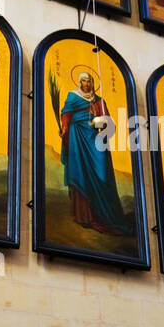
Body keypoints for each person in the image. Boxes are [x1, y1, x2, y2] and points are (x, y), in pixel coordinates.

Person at [60, 72, 129, 234]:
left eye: (89, 81)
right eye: (83, 81)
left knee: (102, 174)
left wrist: (102, 124)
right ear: (79, 82)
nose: (86, 84)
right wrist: (64, 128)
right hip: (77, 137)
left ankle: (104, 215)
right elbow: (66, 115)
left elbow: (110, 124)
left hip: (96, 140)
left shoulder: (99, 101)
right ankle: (84, 216)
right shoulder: (73, 96)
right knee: (81, 172)